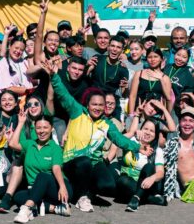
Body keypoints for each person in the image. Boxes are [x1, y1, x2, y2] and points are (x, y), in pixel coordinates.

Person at [45, 57, 139, 211]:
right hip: (73, 162)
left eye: (101, 105)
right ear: (87, 104)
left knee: (108, 186)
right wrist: (54, 76)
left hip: (94, 162)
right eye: (94, 104)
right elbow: (63, 94)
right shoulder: (77, 111)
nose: (98, 107)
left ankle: (87, 192)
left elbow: (119, 139)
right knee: (84, 162)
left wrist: (137, 147)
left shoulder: (106, 123)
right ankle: (82, 197)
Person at [6, 113, 70, 224]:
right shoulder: (30, 144)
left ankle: (27, 209)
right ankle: (55, 209)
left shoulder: (55, 148)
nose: (42, 131)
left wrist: (63, 186)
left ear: (52, 128)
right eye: (38, 128)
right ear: (35, 129)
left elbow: (56, 168)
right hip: (36, 190)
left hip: (57, 189)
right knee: (17, 197)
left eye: (45, 127)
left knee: (42, 176)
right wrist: (21, 123)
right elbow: (12, 143)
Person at [111, 110, 169, 212]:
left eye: (152, 131)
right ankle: (150, 199)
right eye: (145, 129)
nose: (148, 132)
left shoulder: (157, 150)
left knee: (149, 167)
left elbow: (160, 172)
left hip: (145, 184)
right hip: (128, 183)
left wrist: (152, 178)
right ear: (140, 129)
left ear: (155, 135)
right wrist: (133, 132)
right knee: (123, 181)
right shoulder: (132, 141)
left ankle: (136, 199)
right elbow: (118, 139)